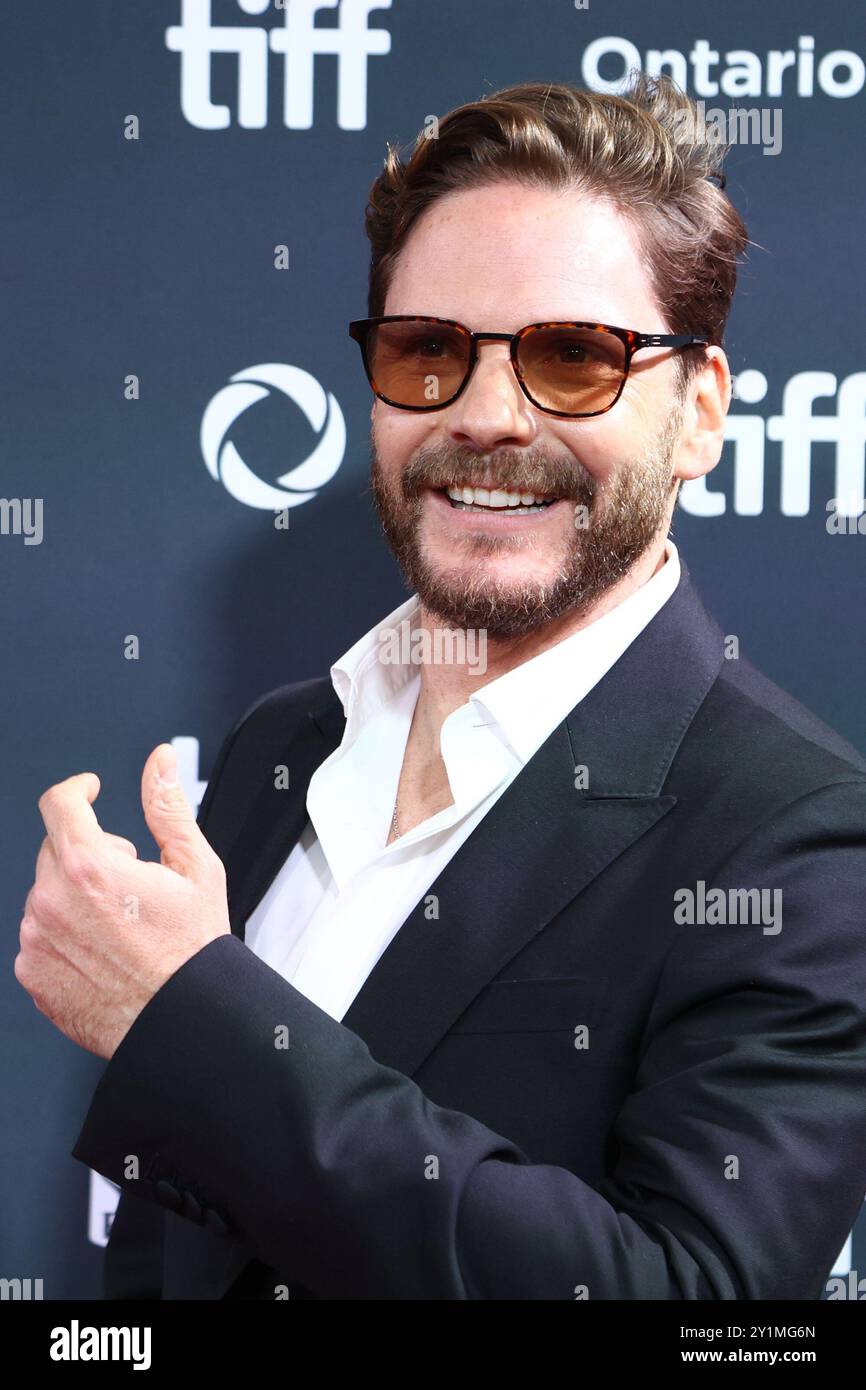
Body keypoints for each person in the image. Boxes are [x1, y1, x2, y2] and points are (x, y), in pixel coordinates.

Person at [17, 75, 866, 1300]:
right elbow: (174, 1236)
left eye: (572, 358)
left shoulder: (797, 846)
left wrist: (195, 1025)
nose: (483, 415)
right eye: (428, 353)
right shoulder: (281, 745)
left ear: (698, 411)